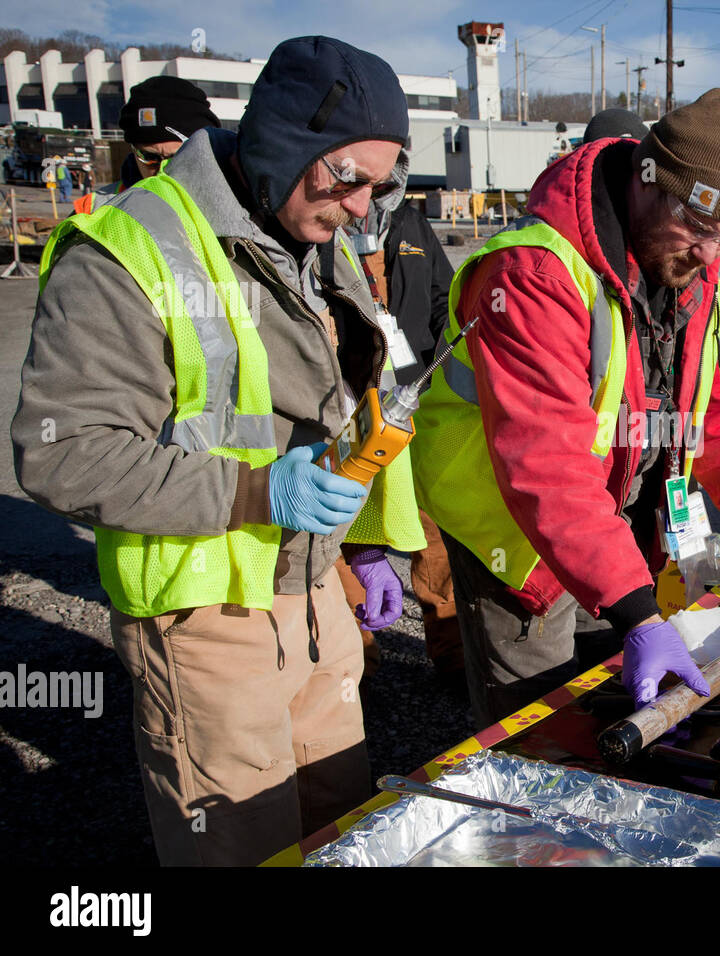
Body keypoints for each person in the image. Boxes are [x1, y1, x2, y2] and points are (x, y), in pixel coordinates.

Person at [12, 35, 425, 866]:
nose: (359, 205)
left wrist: (374, 540)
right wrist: (258, 493)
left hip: (316, 600)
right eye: (346, 176)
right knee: (240, 845)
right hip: (206, 622)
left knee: (342, 832)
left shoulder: (314, 230)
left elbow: (341, 405)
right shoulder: (132, 249)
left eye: (380, 186)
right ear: (284, 147)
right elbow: (63, 453)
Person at [411, 88, 720, 727]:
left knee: (615, 709)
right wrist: (637, 611)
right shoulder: (532, 274)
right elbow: (547, 465)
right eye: (698, 229)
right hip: (519, 540)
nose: (708, 257)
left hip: (613, 527)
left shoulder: (690, 270)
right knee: (538, 730)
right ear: (650, 182)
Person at [343, 192, 461, 674]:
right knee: (348, 525)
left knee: (433, 531)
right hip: (350, 399)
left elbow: (442, 299)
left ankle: (452, 654)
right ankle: (357, 660)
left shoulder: (410, 222)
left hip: (416, 397)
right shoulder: (324, 218)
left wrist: (444, 363)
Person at [73, 76, 219, 215]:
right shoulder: (93, 210)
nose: (163, 169)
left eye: (177, 157)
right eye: (149, 157)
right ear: (133, 150)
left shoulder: (231, 200)